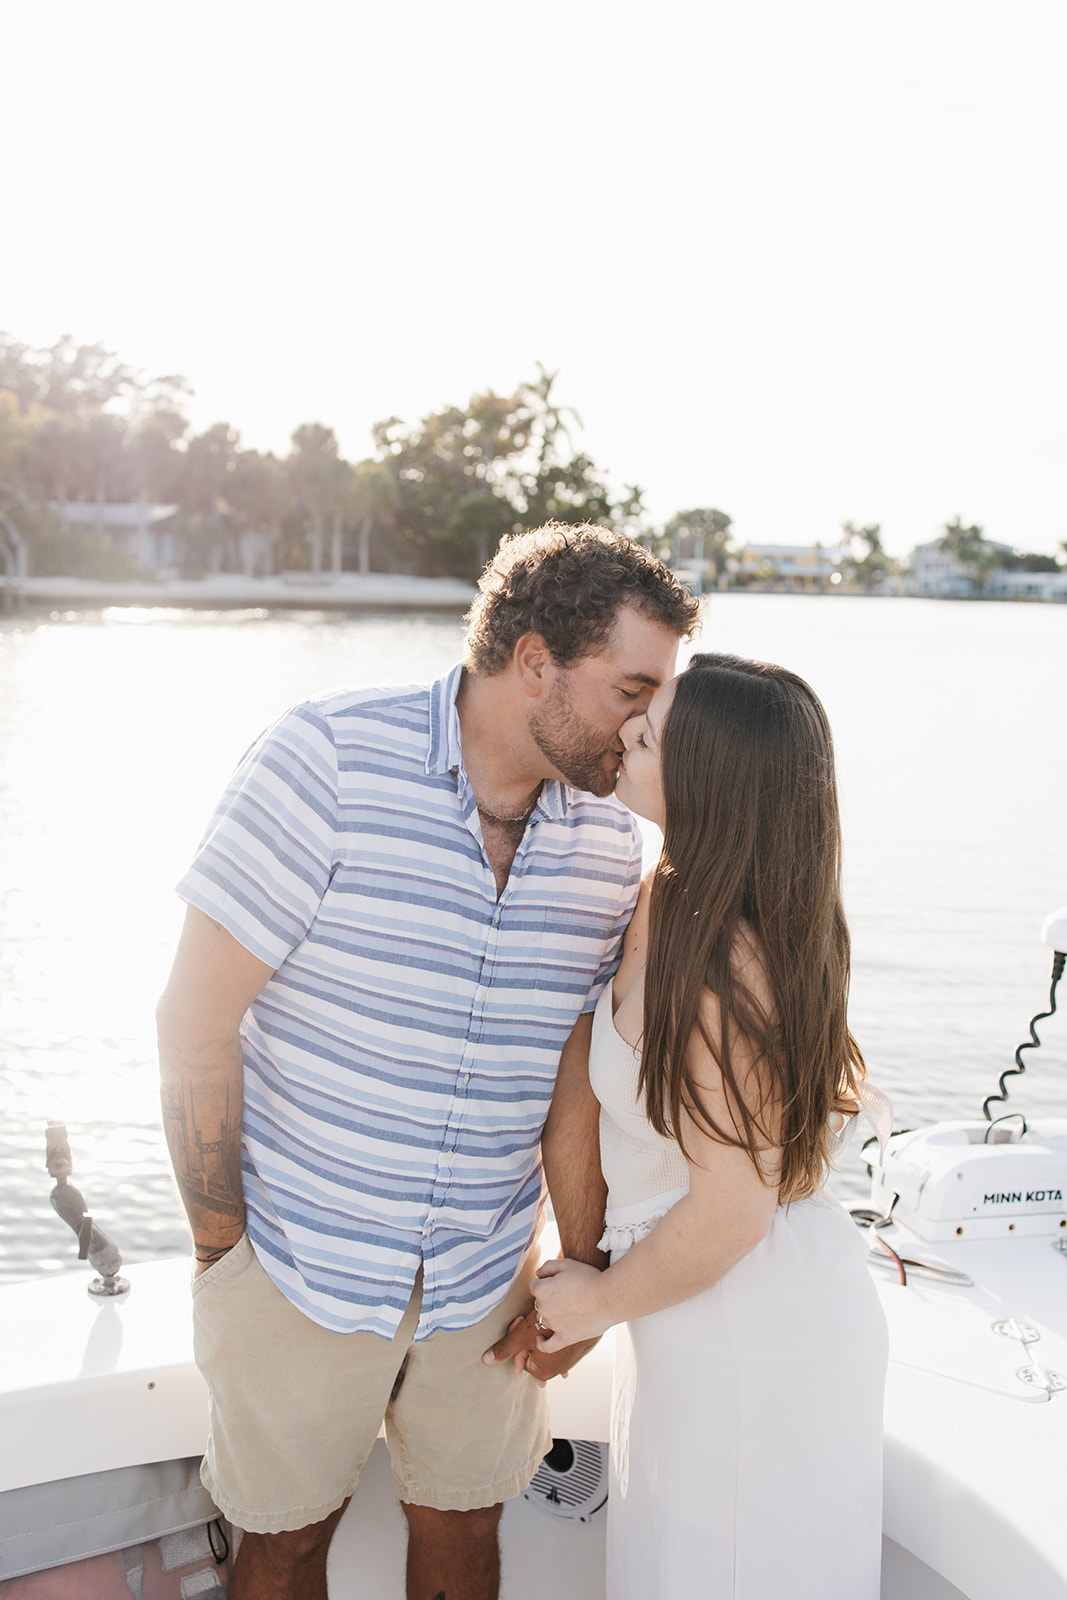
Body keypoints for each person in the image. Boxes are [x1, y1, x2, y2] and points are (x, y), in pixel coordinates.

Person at [156, 523, 701, 1600]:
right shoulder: (324, 761)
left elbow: (569, 1083)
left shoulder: (608, 843)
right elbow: (193, 1022)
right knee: (284, 1547)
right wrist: (225, 1252)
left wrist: (581, 1268)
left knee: (465, 1541)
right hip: (297, 1264)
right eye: (631, 689)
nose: (648, 727)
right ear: (534, 659)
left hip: (483, 1283)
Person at [531, 652, 889, 1600]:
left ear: (708, 782)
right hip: (696, 1311)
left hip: (748, 1328)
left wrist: (596, 1303)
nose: (625, 733)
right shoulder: (671, 887)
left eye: (648, 735)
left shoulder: (726, 968)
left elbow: (731, 1212)